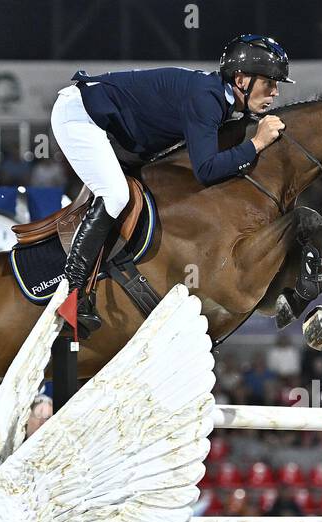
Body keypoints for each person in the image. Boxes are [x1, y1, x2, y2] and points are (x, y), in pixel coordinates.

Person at [52, 34, 295, 337]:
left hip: (117, 134)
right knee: (115, 195)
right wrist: (257, 144)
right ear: (241, 78)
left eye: (276, 85)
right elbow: (206, 170)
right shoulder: (207, 98)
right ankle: (71, 296)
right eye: (269, 82)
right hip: (81, 114)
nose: (274, 92)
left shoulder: (221, 100)